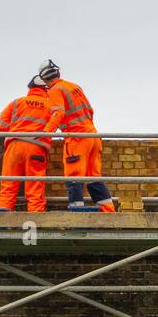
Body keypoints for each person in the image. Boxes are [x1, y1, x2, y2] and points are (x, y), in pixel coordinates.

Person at [37, 59, 118, 212]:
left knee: (73, 176)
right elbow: (90, 109)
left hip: (77, 138)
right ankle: (108, 211)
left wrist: (45, 133)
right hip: (92, 136)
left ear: (44, 78)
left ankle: (77, 213)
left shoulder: (55, 90)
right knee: (93, 177)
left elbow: (58, 112)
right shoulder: (74, 86)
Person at [0, 76, 57, 212]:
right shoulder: (50, 106)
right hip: (36, 148)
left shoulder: (17, 102)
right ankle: (35, 222)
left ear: (30, 88)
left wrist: (17, 130)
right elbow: (56, 124)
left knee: (8, 186)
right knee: (35, 188)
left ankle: (2, 221)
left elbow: (1, 125)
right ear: (46, 89)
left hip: (14, 146)